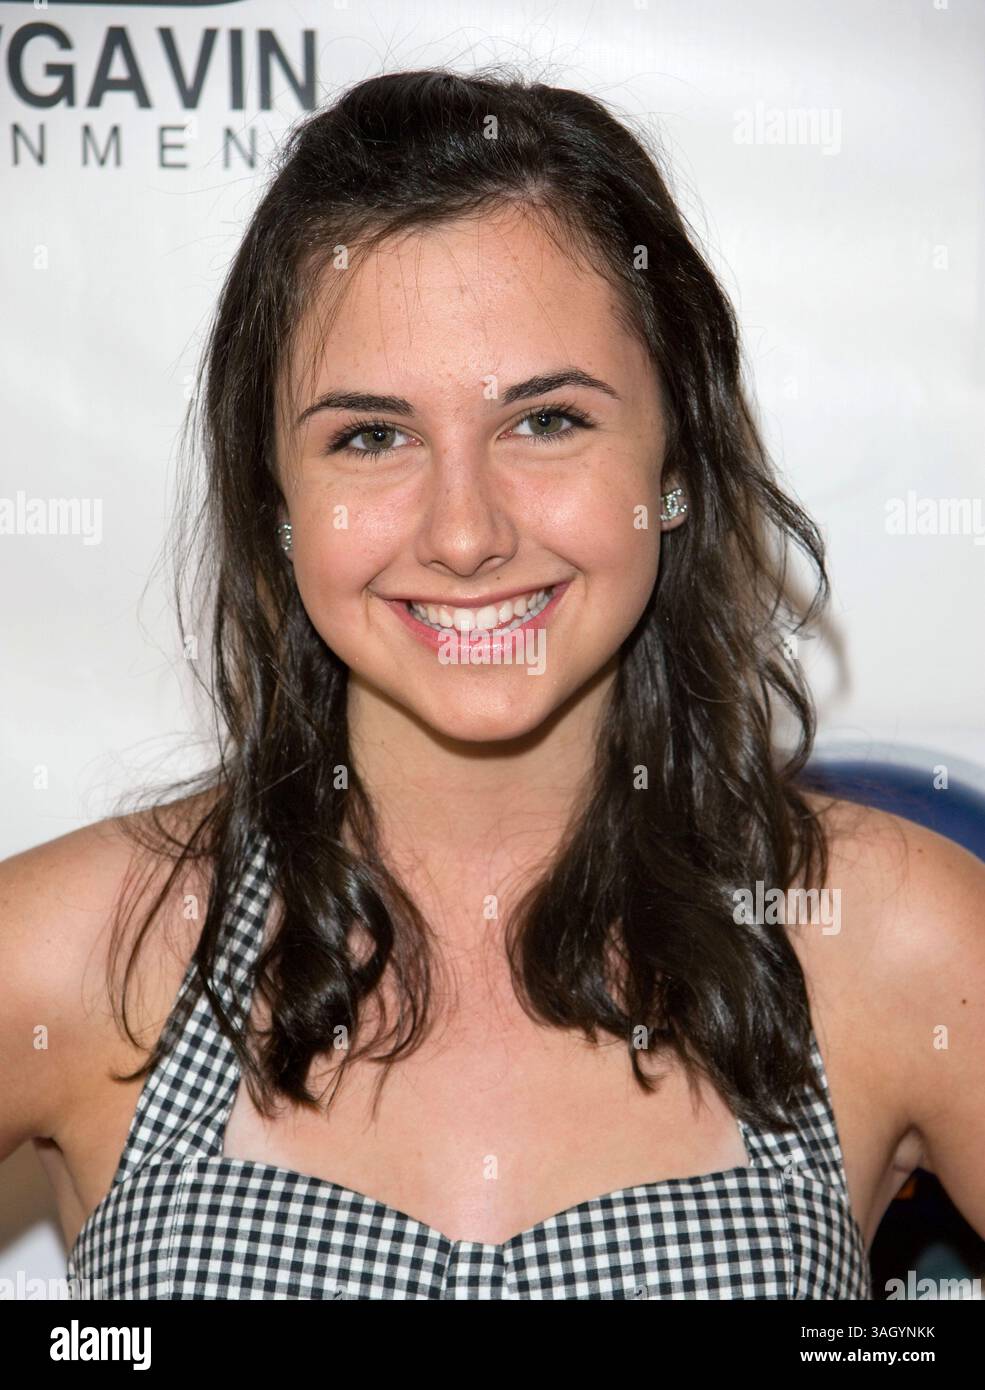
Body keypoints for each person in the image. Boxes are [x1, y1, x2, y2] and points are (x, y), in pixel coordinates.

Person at [2, 67, 983, 1302]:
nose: (463, 533)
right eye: (371, 435)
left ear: (674, 464)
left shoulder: (894, 941)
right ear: (277, 505)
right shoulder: (75, 957)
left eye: (546, 422)